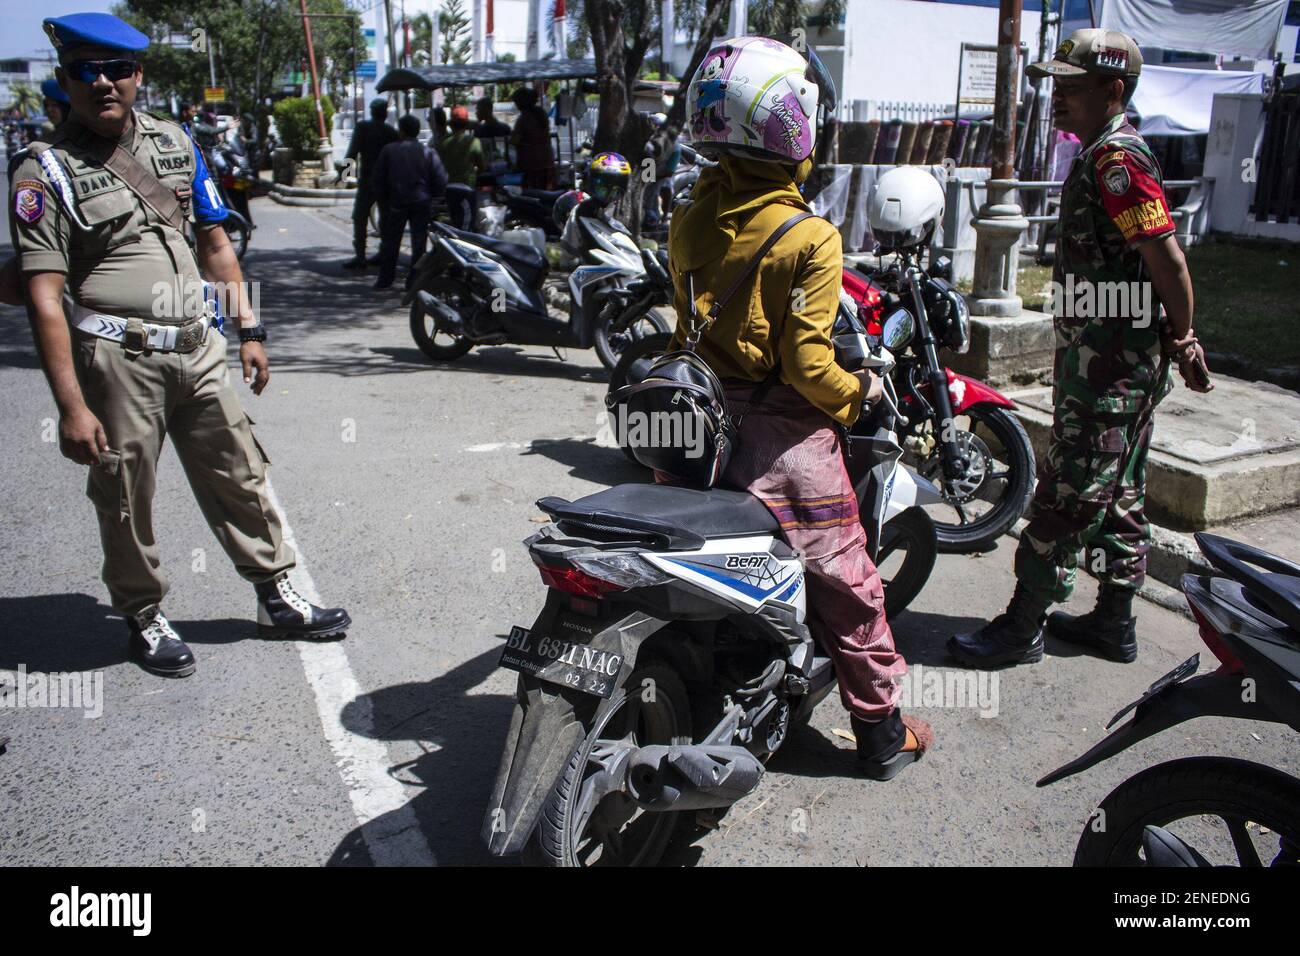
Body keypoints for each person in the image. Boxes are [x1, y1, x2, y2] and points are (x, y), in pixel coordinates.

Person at [9, 13, 350, 678]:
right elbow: (44, 296)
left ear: (138, 75)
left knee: (240, 470)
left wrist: (248, 329)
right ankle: (143, 614)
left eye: (117, 70)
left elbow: (215, 242)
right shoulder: (44, 170)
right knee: (126, 493)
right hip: (117, 358)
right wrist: (72, 406)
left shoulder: (173, 142)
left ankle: (276, 594)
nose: (103, 82)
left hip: (198, 345)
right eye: (86, 70)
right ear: (66, 79)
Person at [669, 36, 931, 778]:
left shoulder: (689, 220)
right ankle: (881, 733)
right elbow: (810, 363)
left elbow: (686, 326)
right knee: (852, 587)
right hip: (783, 445)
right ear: (793, 126)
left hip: (700, 430)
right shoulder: (810, 235)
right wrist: (859, 395)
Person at [948, 29, 1211, 670]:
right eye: (1056, 84)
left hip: (1112, 368)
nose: (1057, 96)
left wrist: (1185, 337)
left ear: (1112, 89)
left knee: (1067, 494)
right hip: (1110, 361)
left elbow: (1168, 261)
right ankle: (1114, 622)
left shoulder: (1117, 161)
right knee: (1119, 489)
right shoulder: (1101, 153)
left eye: (1072, 85)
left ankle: (1021, 627)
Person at [372, 113, 448, 290]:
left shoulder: (389, 150)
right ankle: (414, 280)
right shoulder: (428, 152)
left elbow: (378, 178)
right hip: (421, 201)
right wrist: (433, 196)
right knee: (419, 244)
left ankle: (385, 279)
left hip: (396, 202)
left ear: (402, 131)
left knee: (391, 242)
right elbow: (441, 180)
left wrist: (383, 199)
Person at [343, 97, 399, 270]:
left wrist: (345, 176)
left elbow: (352, 152)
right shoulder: (391, 132)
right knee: (385, 218)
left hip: (368, 180)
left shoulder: (362, 128)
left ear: (373, 111)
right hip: (386, 181)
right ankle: (384, 253)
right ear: (384, 113)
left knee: (360, 217)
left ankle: (360, 256)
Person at [440, 105, 485, 231]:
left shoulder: (443, 143)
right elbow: (482, 166)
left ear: (452, 125)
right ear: (466, 125)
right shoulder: (473, 142)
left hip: (448, 188)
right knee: (467, 226)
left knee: (455, 221)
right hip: (466, 189)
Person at [510, 87, 553, 189]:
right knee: (544, 190)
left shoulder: (524, 118)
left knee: (531, 193)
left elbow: (515, 140)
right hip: (546, 159)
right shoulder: (541, 113)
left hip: (531, 162)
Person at [473, 95, 511, 166]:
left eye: (478, 109)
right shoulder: (505, 128)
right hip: (501, 167)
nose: (476, 112)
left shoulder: (479, 130)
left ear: (487, 109)